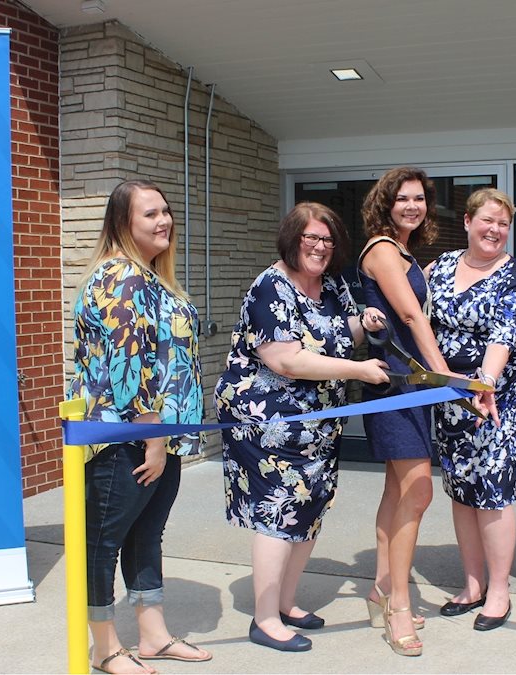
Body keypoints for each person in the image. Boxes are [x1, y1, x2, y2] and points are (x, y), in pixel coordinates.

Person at [214, 202, 390, 653]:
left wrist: (364, 324)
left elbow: (337, 333)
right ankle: (265, 617)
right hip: (267, 423)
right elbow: (286, 359)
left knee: (310, 509)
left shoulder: (331, 286)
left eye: (328, 240)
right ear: (292, 238)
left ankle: (287, 604)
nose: (320, 247)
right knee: (278, 511)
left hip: (319, 424)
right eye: (311, 238)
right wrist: (358, 371)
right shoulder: (270, 288)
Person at [68, 180, 211, 674]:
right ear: (122, 223)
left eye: (166, 211)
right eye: (150, 214)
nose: (163, 220)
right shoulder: (122, 277)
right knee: (103, 542)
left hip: (158, 436)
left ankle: (153, 636)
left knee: (146, 534)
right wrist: (152, 438)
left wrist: (165, 438)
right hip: (125, 439)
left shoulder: (152, 278)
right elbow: (132, 368)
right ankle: (104, 646)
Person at [427, 188, 516, 632]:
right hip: (449, 398)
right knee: (460, 489)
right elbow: (418, 316)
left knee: (492, 492)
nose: (495, 230)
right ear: (468, 222)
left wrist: (486, 382)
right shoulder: (441, 267)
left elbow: (503, 337)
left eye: (503, 224)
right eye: (487, 221)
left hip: (498, 399)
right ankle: (472, 584)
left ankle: (499, 590)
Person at [357, 166, 450, 656]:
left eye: (419, 199)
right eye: (403, 199)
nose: (413, 206)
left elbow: (407, 309)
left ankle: (378, 586)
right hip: (398, 385)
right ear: (386, 203)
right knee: (419, 491)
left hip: (406, 382)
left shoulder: (404, 253)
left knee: (398, 491)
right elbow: (411, 317)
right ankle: (397, 604)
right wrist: (445, 375)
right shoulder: (383, 250)